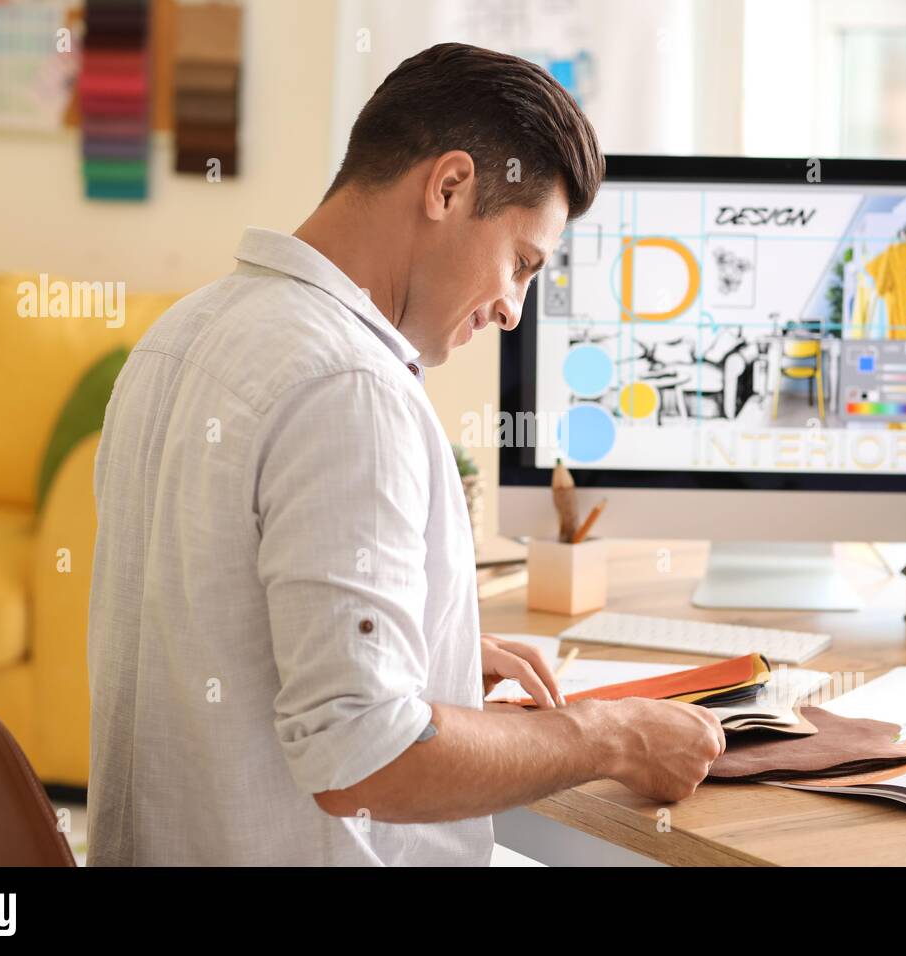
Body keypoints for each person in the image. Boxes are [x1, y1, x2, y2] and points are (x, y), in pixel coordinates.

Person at [87, 42, 725, 866]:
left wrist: (426, 648)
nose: (512, 311)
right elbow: (363, 759)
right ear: (449, 186)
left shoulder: (183, 333)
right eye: (522, 264)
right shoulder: (350, 386)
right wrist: (607, 736)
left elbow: (213, 618)